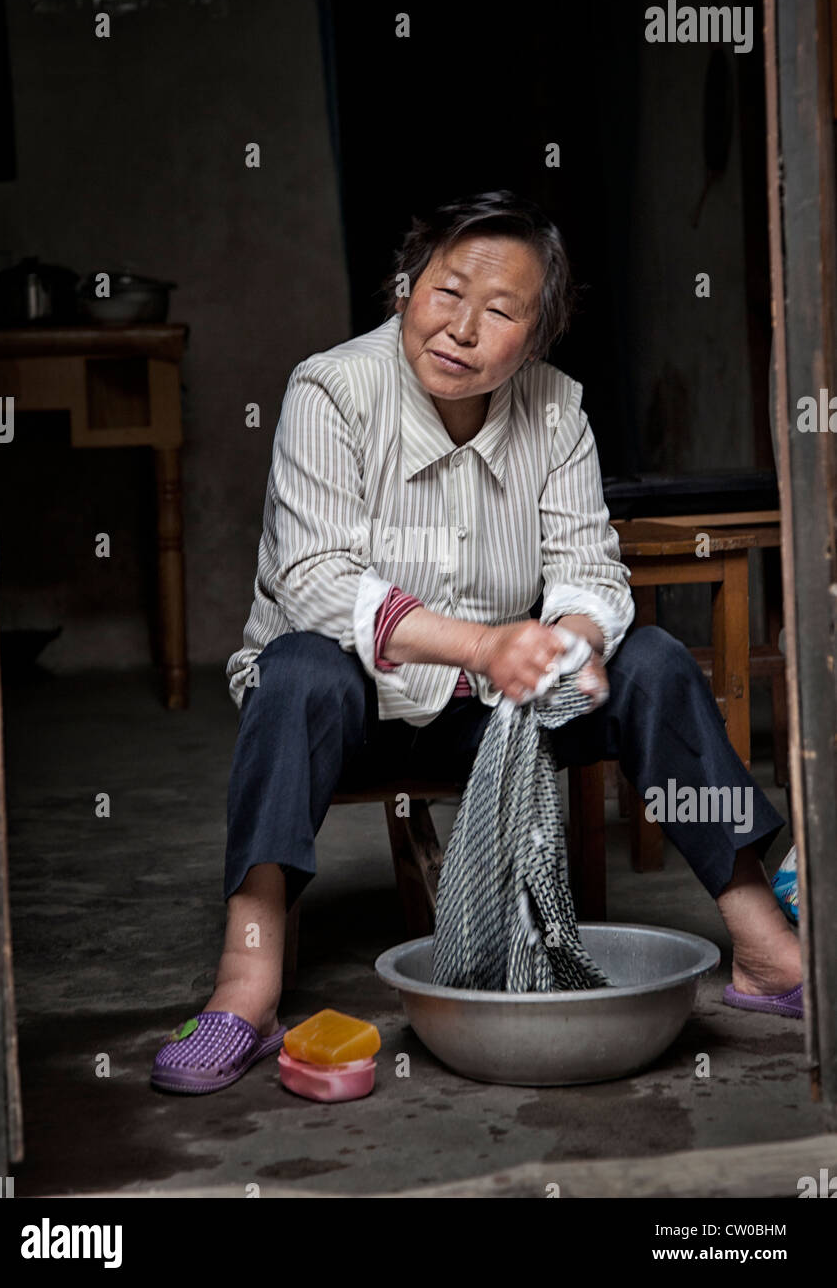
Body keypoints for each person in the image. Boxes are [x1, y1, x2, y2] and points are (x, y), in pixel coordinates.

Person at [151, 190, 800, 1095]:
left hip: (499, 718)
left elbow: (591, 573)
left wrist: (566, 640)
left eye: (499, 312)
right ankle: (244, 988)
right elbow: (313, 581)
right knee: (295, 670)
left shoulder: (556, 411)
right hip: (358, 708)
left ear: (535, 338)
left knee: (649, 661)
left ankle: (765, 949)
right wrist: (481, 644)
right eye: (445, 293)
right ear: (402, 289)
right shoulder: (331, 390)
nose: (460, 328)